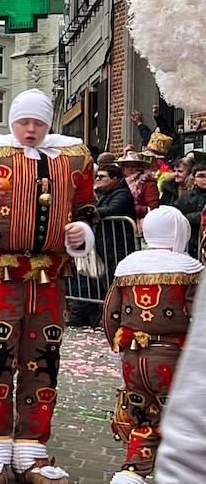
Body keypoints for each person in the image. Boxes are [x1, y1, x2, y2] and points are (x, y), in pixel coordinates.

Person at [0, 89, 97, 484]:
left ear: (49, 124)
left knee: (43, 358)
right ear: (13, 121)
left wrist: (81, 233)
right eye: (24, 121)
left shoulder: (75, 159)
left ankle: (31, 447)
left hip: (49, 276)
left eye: (39, 122)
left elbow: (85, 207)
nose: (30, 130)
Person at [102, 206, 198, 484]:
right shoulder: (189, 269)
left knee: (143, 420)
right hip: (174, 358)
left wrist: (116, 345)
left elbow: (111, 312)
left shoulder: (128, 266)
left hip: (134, 359)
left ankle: (132, 473)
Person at [68, 164, 137, 328]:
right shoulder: (103, 193)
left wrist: (90, 212)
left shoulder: (122, 194)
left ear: (115, 179)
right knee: (101, 281)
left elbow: (112, 209)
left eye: (101, 177)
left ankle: (120, 317)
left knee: (114, 282)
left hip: (118, 245)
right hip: (104, 243)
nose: (97, 179)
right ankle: (100, 313)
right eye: (96, 176)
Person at [171, 163, 206, 257]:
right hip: (190, 242)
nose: (205, 180)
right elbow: (176, 216)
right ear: (194, 180)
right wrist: (200, 216)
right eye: (201, 176)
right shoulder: (187, 196)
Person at [118, 151, 159, 226]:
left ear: (140, 167)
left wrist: (129, 208)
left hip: (141, 223)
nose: (130, 169)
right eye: (127, 166)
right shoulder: (120, 182)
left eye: (133, 166)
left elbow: (152, 207)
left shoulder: (148, 182)